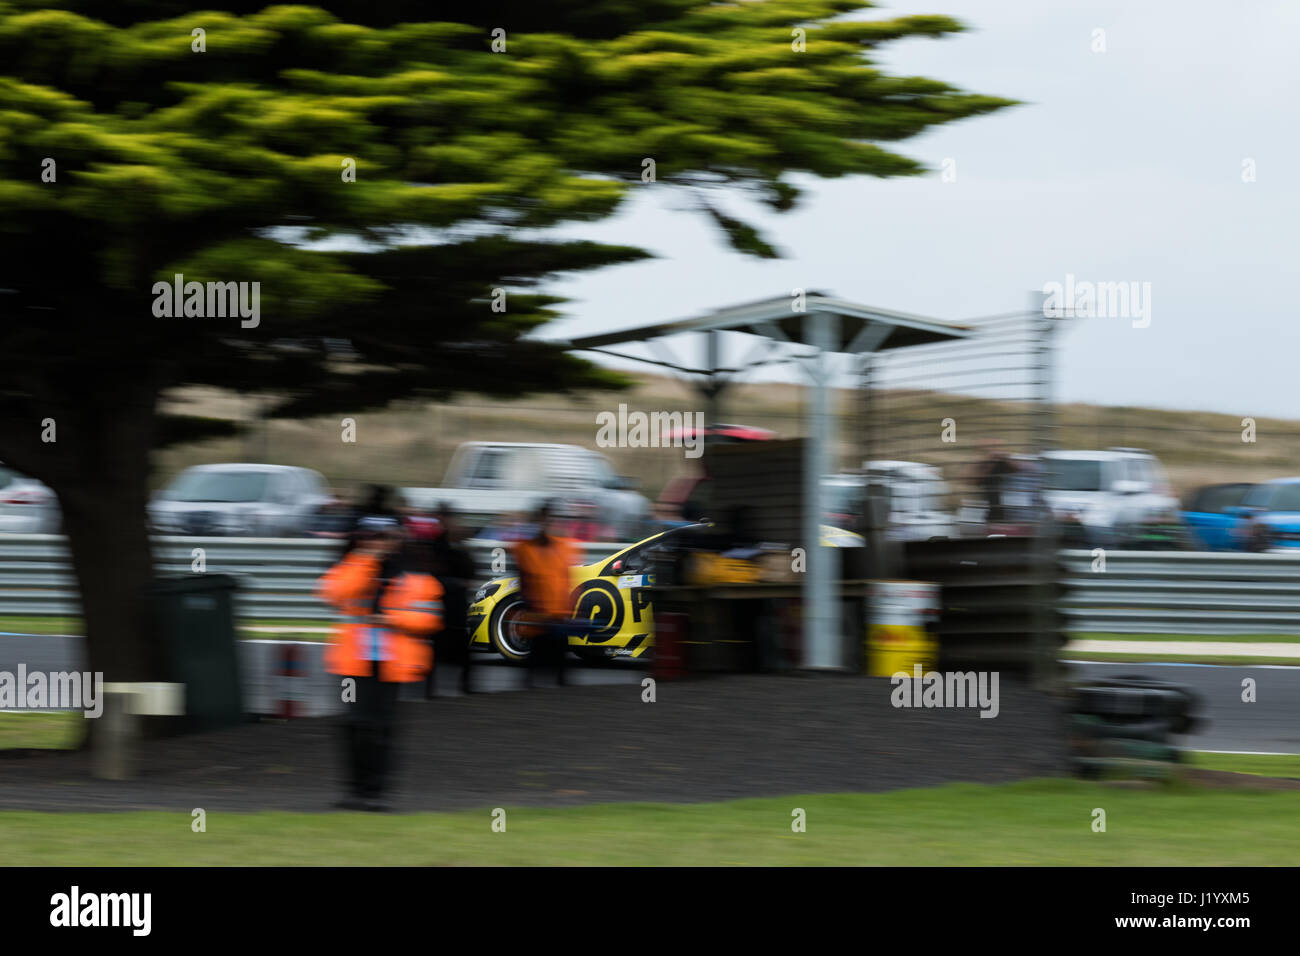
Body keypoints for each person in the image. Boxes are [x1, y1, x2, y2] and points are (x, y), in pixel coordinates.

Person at [318, 515, 443, 811]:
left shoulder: (416, 577)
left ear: (398, 539)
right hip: (353, 664)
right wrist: (365, 561)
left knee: (381, 727)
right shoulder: (352, 567)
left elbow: (430, 619)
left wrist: (390, 619)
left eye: (384, 537)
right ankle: (354, 790)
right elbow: (333, 593)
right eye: (370, 537)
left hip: (391, 664)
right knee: (352, 725)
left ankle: (375, 792)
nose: (378, 543)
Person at [512, 500, 578, 688]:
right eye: (541, 520)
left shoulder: (563, 548)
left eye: (547, 519)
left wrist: (568, 610)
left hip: (557, 617)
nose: (545, 524)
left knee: (559, 671)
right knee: (535, 670)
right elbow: (524, 583)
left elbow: (567, 580)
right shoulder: (525, 549)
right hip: (538, 618)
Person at [426, 505, 476, 697]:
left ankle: (465, 686)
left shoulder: (460, 546)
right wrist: (456, 583)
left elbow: (470, 572)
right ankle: (431, 689)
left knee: (461, 647)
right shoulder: (437, 545)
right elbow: (434, 574)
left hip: (456, 604)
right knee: (438, 648)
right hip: (441, 602)